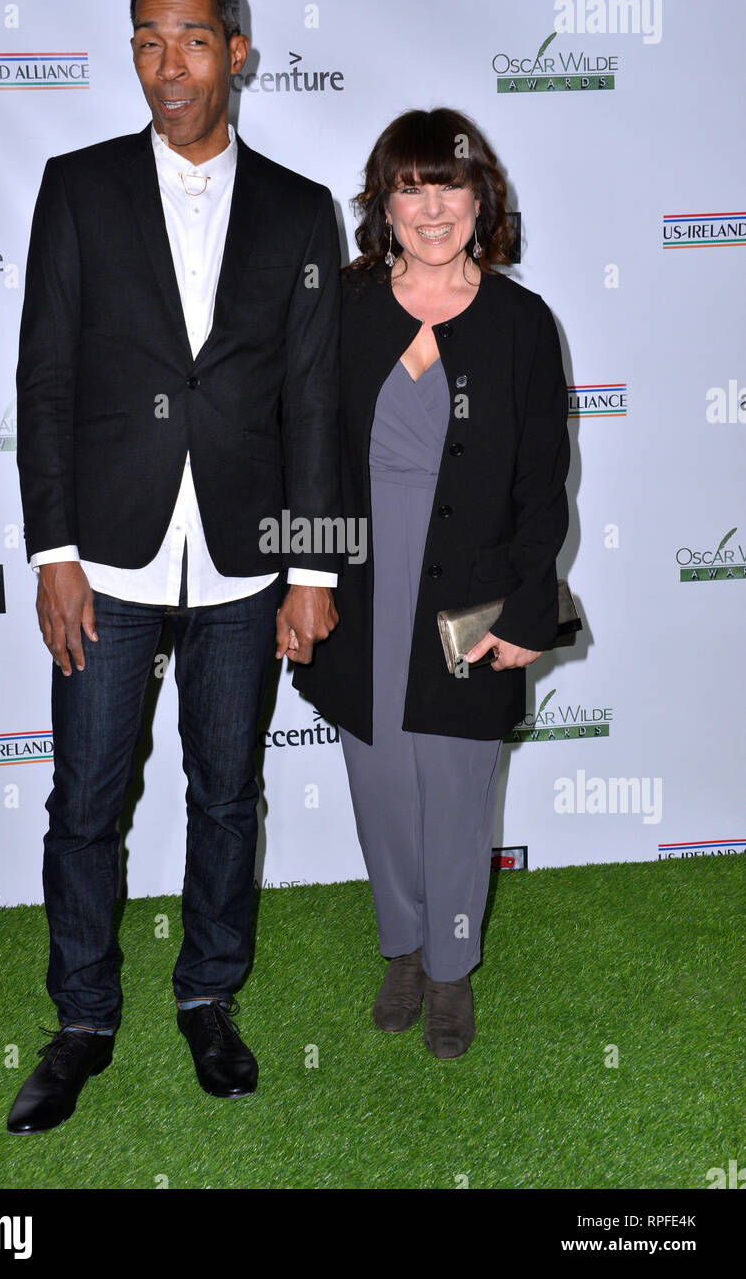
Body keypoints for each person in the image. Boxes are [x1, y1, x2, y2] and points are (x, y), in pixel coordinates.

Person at [7, 0, 341, 1132]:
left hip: (249, 562)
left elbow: (314, 402)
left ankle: (209, 993)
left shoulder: (303, 210)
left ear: (236, 51)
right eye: (147, 39)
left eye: (192, 40)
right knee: (87, 799)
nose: (168, 66)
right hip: (105, 557)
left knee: (227, 790)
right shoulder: (78, 187)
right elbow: (42, 381)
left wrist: (311, 569)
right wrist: (52, 550)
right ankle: (82, 1016)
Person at [293, 108, 569, 1059]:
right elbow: (310, 456)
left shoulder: (522, 323)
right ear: (384, 204)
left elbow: (542, 482)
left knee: (455, 789)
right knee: (379, 786)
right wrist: (304, 575)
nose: (432, 205)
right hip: (363, 593)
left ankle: (451, 971)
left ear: (480, 195)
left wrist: (533, 610)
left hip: (472, 603)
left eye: (448, 184)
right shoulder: (344, 304)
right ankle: (402, 949)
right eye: (410, 187)